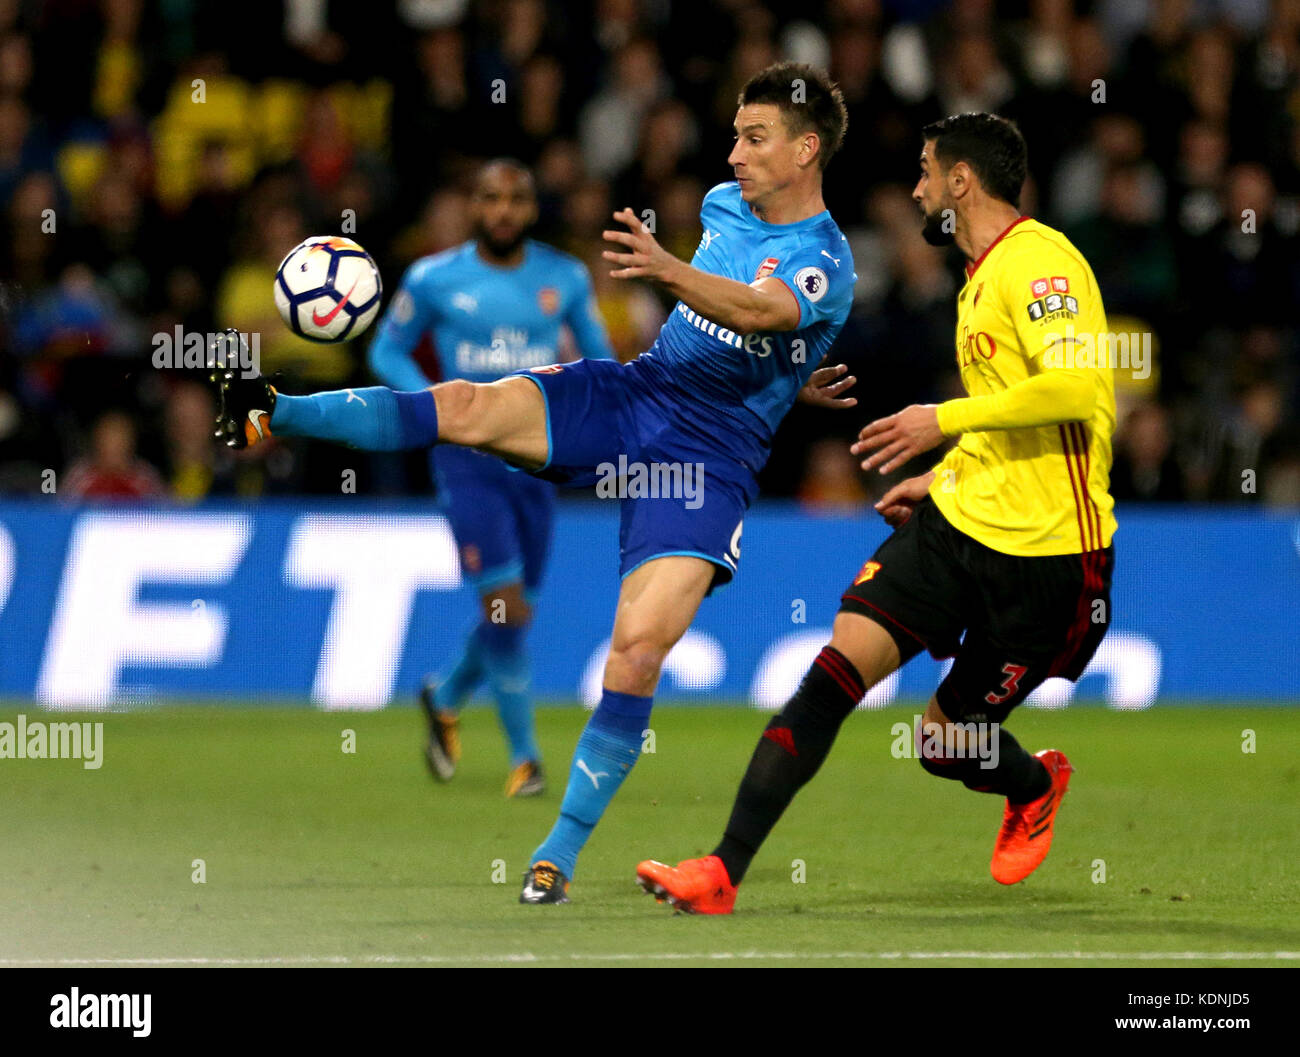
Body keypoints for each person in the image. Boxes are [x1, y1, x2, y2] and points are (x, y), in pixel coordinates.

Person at [212, 62, 859, 904]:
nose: (734, 151)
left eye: (755, 136)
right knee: (465, 403)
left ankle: (557, 850)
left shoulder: (827, 259)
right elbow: (737, 327)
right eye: (735, 132)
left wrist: (671, 274)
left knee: (636, 649)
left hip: (708, 459)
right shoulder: (721, 204)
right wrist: (790, 368)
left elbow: (764, 311)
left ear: (806, 149)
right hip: (639, 392)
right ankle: (276, 410)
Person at [636, 112, 1117, 914]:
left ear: (963, 181)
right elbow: (1019, 411)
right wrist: (946, 476)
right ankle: (720, 873)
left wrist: (942, 422)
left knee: (942, 742)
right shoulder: (979, 277)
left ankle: (1033, 782)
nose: (919, 186)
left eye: (928, 171)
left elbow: (1079, 392)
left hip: (1051, 559)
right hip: (958, 526)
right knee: (835, 670)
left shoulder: (1040, 266)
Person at [367, 159, 615, 798]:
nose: (503, 210)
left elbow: (600, 359)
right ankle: (526, 760)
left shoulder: (564, 277)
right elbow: (385, 350)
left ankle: (445, 696)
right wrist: (433, 405)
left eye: (516, 199)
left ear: (531, 209)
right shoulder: (434, 278)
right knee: (503, 608)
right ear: (473, 207)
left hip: (536, 458)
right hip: (466, 461)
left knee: (516, 611)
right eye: (490, 199)